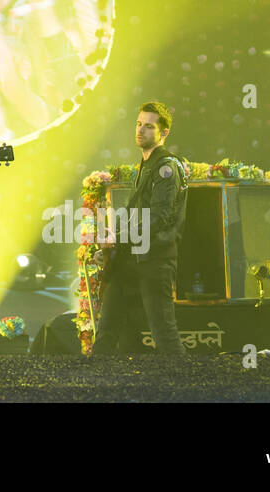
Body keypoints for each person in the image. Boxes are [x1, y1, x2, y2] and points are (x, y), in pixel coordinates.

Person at [92, 101, 188, 356]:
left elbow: (158, 217)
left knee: (164, 334)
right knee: (106, 331)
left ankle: (191, 387)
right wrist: (113, 248)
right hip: (130, 259)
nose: (140, 130)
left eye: (148, 126)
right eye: (138, 124)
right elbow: (138, 217)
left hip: (154, 261)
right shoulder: (146, 165)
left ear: (164, 133)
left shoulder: (166, 166)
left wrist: (117, 239)